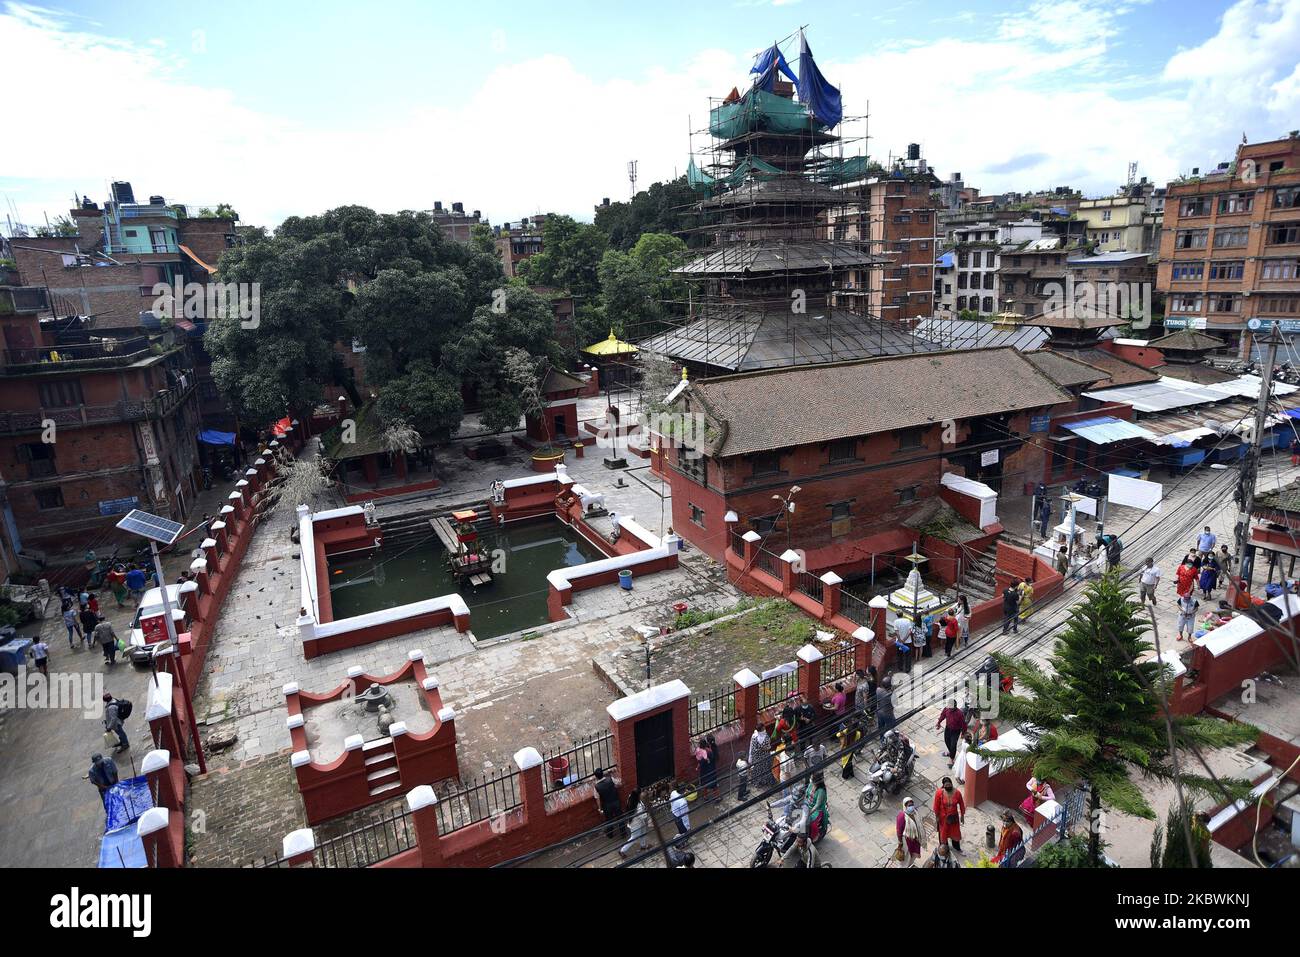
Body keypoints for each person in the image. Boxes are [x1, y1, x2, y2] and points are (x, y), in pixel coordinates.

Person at [932, 775, 966, 852]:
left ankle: (957, 848)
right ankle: (944, 850)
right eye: (946, 785)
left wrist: (962, 816)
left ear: (951, 784)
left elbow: (961, 804)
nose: (948, 787)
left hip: (954, 818)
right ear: (943, 786)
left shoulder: (957, 793)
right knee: (943, 834)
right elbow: (936, 806)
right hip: (943, 819)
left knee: (955, 833)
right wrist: (937, 816)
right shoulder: (939, 793)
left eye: (949, 785)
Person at [894, 796, 924, 866]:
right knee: (906, 857)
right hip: (906, 841)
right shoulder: (902, 816)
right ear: (905, 806)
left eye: (912, 805)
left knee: (913, 855)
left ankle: (909, 865)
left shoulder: (915, 812)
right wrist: (900, 842)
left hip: (915, 839)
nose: (911, 807)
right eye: (909, 805)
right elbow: (899, 831)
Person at [618, 792, 649, 858]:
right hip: (636, 824)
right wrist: (647, 813)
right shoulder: (638, 805)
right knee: (634, 838)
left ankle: (643, 845)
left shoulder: (632, 800)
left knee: (643, 832)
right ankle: (622, 850)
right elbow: (642, 816)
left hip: (637, 822)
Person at [592, 767, 621, 838]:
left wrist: (600, 809)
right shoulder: (610, 779)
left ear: (596, 777)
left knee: (609, 820)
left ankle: (610, 834)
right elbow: (619, 783)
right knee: (620, 817)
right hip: (616, 801)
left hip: (607, 805)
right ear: (602, 774)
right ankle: (623, 833)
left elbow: (597, 799)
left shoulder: (596, 787)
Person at [803, 771, 828, 843]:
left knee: (811, 823)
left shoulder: (821, 791)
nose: (810, 779)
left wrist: (810, 812)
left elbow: (817, 805)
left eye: (812, 778)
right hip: (807, 805)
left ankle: (815, 835)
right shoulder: (811, 784)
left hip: (817, 810)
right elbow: (806, 794)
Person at [747, 725, 775, 789]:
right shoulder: (766, 737)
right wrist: (764, 749)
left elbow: (752, 747)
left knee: (758, 770)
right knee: (766, 769)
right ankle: (767, 781)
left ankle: (758, 782)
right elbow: (768, 747)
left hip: (756, 757)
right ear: (762, 729)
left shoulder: (754, 737)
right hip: (765, 756)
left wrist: (751, 756)